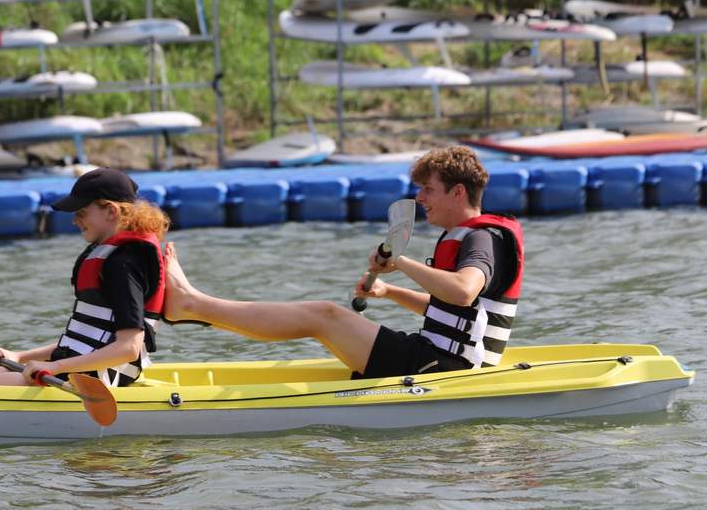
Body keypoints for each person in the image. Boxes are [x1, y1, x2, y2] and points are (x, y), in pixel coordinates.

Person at [162, 146, 524, 378]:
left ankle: (193, 304)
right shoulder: (464, 236)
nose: (419, 197)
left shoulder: (482, 238)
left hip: (442, 369)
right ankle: (196, 304)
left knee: (323, 315)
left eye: (428, 189)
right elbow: (454, 314)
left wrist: (399, 262)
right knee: (323, 317)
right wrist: (389, 290)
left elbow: (462, 292)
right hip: (435, 359)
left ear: (457, 192)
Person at [0, 167, 168, 387]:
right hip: (72, 370)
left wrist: (56, 367)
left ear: (111, 211)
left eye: (81, 212)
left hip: (90, 381)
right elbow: (81, 342)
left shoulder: (123, 265)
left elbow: (129, 347)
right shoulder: (112, 258)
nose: (75, 220)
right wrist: (21, 356)